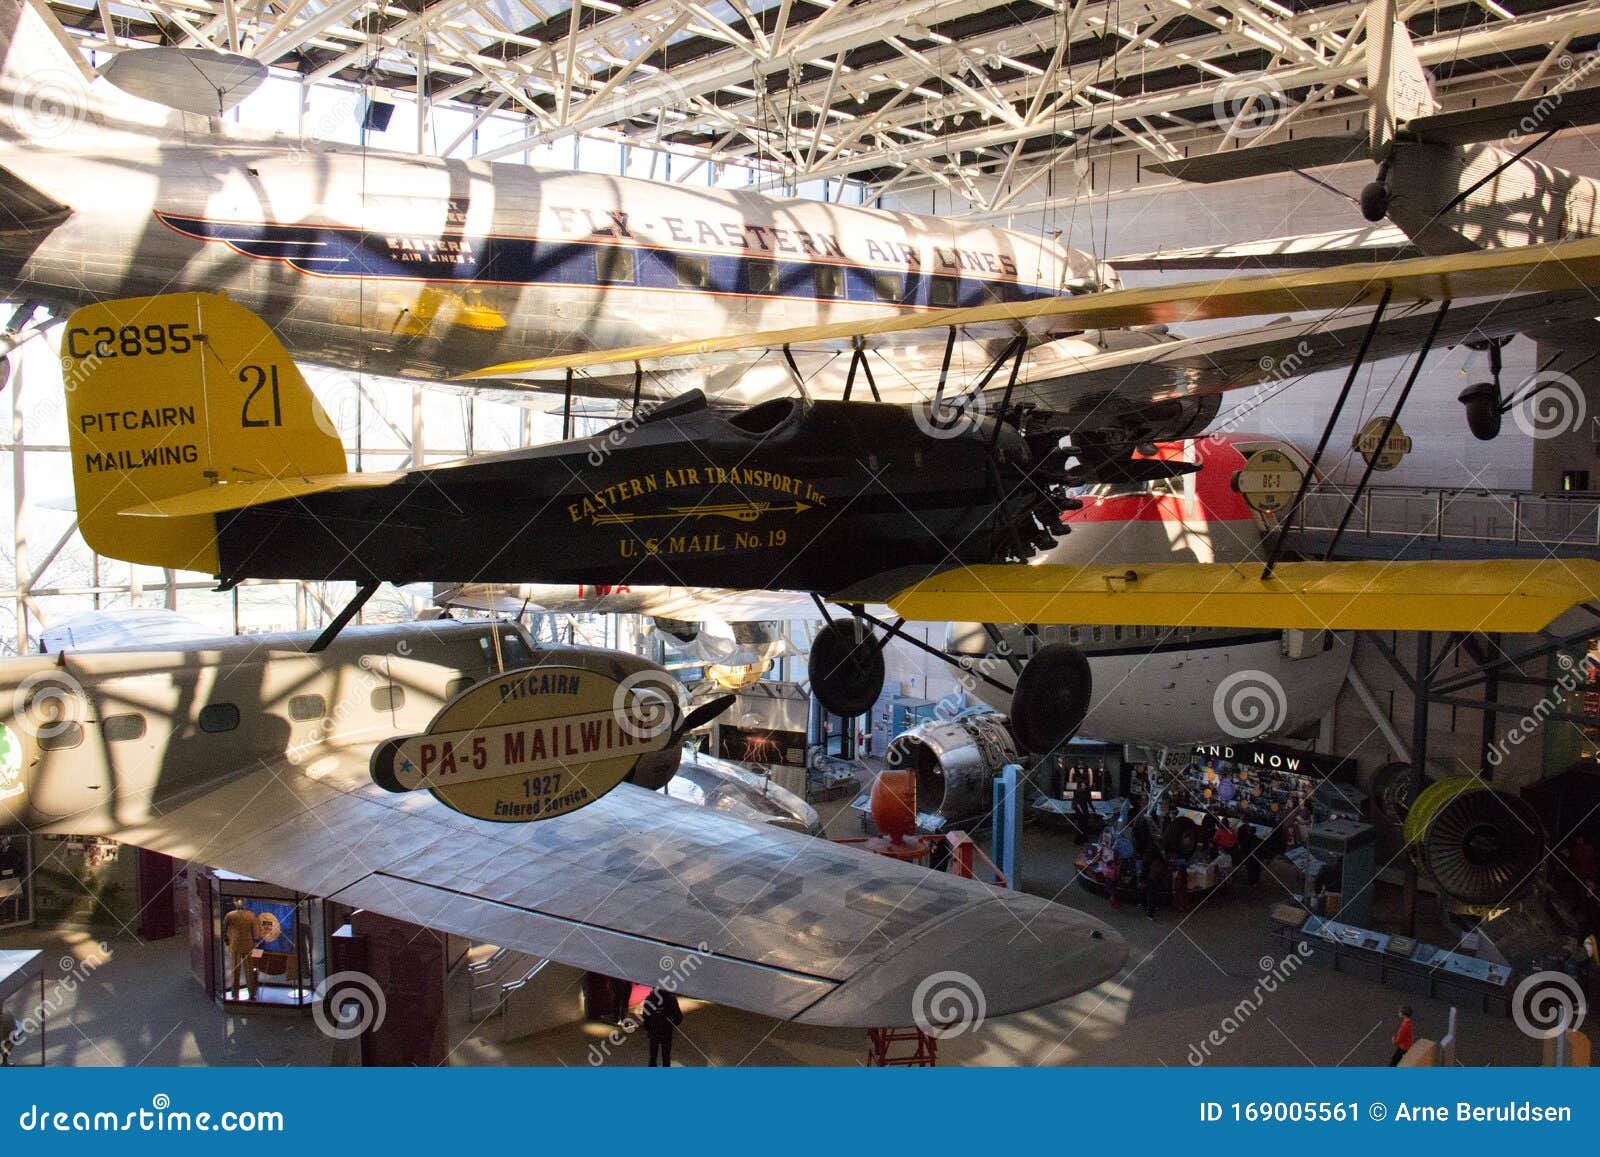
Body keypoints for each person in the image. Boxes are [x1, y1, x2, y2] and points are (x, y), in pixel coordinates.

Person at [222, 899, 259, 1000]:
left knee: (235, 969)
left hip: (235, 944)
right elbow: (256, 931)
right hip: (248, 944)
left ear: (235, 903)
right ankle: (252, 992)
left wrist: (227, 941)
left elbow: (224, 930)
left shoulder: (230, 915)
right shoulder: (251, 915)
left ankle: (234, 993)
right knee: (249, 969)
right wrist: (255, 942)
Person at [640, 987, 683, 1067]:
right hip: (666, 1032)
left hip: (653, 1031)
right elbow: (679, 1017)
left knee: (653, 1057)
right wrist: (672, 1024)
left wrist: (648, 1029)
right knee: (666, 1057)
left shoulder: (649, 999)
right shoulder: (671, 998)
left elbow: (645, 1018)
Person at [1143, 847, 1167, 919]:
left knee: (1152, 896)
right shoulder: (1158, 862)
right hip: (1154, 880)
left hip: (1153, 879)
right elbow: (1157, 871)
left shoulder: (1154, 861)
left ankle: (1150, 911)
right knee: (1152, 896)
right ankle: (1150, 913)